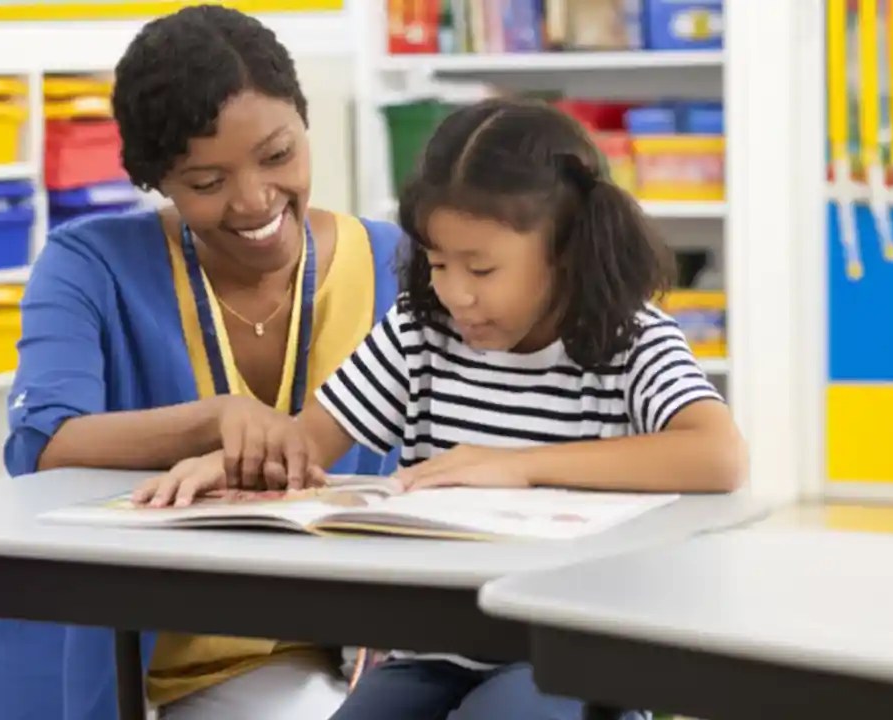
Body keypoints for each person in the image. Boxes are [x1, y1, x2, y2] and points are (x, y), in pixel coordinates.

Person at [134, 97, 748, 719]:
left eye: (481, 268)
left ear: (567, 250)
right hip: (436, 649)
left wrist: (520, 466)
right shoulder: (422, 333)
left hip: (572, 650)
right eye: (437, 263)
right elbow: (306, 444)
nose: (456, 293)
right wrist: (229, 466)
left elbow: (718, 455)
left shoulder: (629, 338)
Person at [0, 6, 402, 720]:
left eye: (277, 155)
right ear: (158, 181)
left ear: (303, 118)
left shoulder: (397, 263)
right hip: (161, 667)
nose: (255, 200)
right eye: (208, 183)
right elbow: (44, 443)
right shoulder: (90, 265)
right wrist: (215, 419)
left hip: (354, 653)